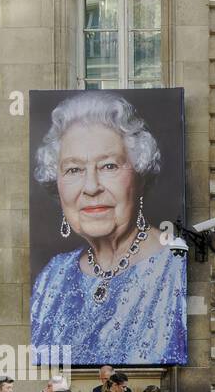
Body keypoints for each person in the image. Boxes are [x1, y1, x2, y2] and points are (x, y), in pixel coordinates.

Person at [29, 91, 188, 365]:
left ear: (139, 173)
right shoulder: (51, 278)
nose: (91, 187)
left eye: (109, 166)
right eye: (74, 170)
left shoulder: (175, 263)